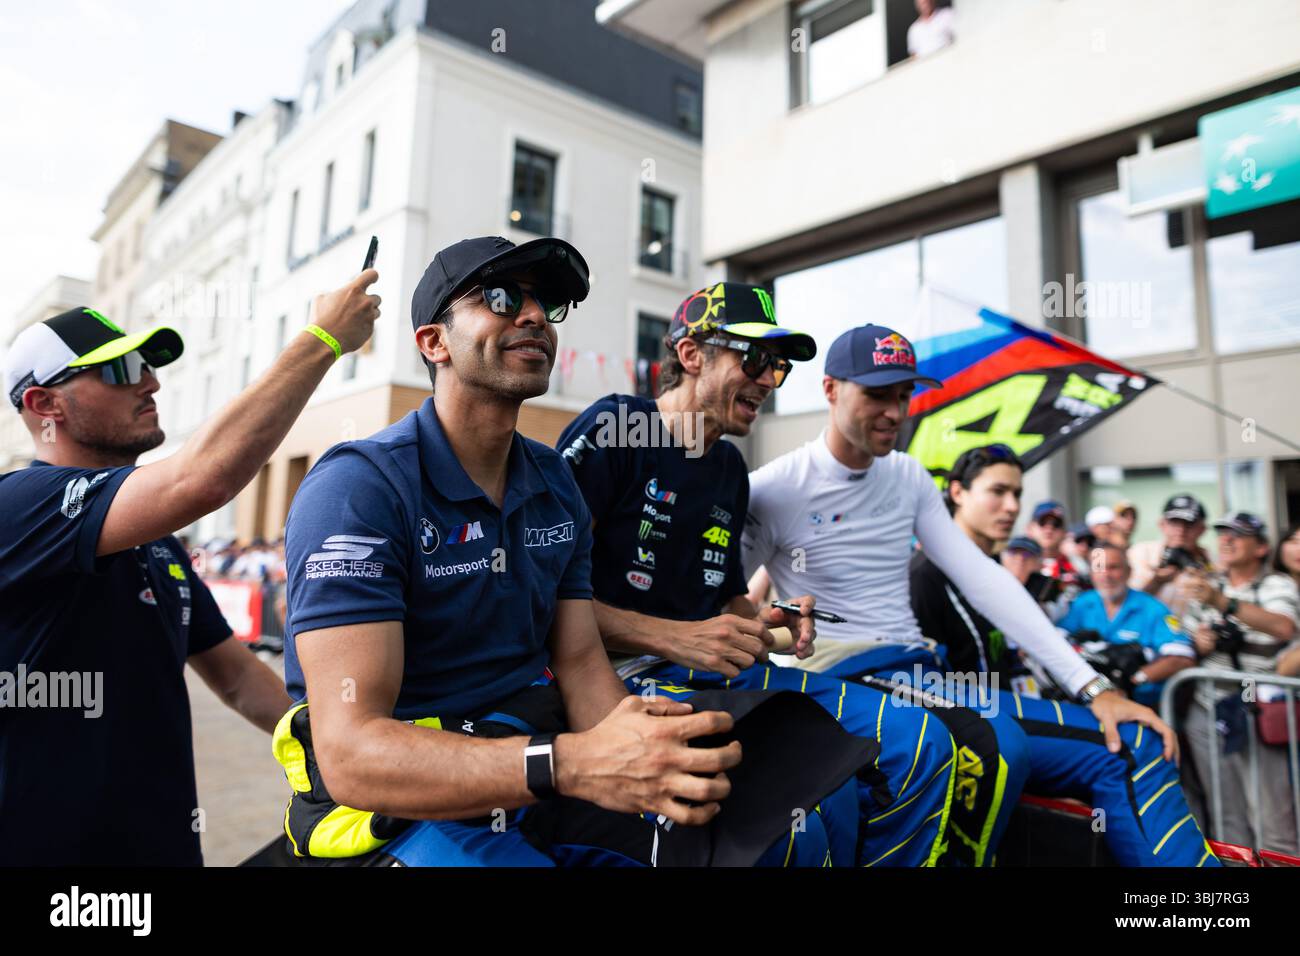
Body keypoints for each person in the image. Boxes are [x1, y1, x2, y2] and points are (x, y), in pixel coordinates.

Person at [279, 240, 865, 868]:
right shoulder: (358, 487)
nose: (532, 314)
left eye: (544, 301)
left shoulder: (554, 483)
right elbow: (351, 757)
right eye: (501, 298)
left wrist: (650, 744)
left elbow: (583, 664)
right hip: (388, 812)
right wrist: (572, 762)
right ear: (433, 342)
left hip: (534, 763)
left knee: (773, 824)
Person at [744, 323, 1219, 867]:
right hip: (847, 684)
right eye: (877, 394)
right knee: (994, 747)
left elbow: (983, 579)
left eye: (904, 395)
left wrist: (1093, 687)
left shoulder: (909, 476)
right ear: (829, 389)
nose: (895, 413)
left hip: (923, 676)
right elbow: (720, 606)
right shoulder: (772, 487)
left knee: (1133, 742)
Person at [558, 282, 954, 867]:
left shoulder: (729, 468)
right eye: (755, 359)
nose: (770, 379)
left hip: (710, 674)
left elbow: (722, 601)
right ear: (691, 355)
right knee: (806, 821)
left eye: (779, 366)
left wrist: (770, 621)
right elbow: (536, 594)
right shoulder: (618, 426)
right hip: (612, 683)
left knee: (922, 746)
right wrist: (674, 635)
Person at [0, 272, 379, 866]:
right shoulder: (19, 503)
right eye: (119, 371)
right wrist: (323, 339)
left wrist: (348, 745)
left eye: (148, 366)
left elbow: (236, 677)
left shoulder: (155, 543)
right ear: (44, 404)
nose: (150, 383)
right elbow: (199, 480)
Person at [1177, 511, 1300, 854]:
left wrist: (1223, 602)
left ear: (1261, 548)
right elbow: (1184, 641)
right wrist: (1198, 642)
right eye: (1222, 533)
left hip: (1255, 708)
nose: (1227, 540)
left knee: (1272, 816)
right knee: (1225, 815)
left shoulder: (1276, 584)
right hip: (1206, 707)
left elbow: (1283, 627)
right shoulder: (1208, 582)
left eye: (1238, 534)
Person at [1056, 540, 1196, 707]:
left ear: (1129, 572)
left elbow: (1183, 658)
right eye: (1099, 568)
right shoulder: (1082, 603)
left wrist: (1136, 678)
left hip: (1141, 705)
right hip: (1091, 699)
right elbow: (1055, 644)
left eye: (1113, 567)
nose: (1105, 575)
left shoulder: (1153, 608)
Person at [1128, 494, 1213, 618]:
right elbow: (1124, 606)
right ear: (1162, 524)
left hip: (1189, 635)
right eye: (1174, 522)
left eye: (1189, 524)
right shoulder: (1139, 552)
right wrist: (1156, 582)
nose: (1181, 530)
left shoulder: (1212, 561)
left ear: (1202, 529)